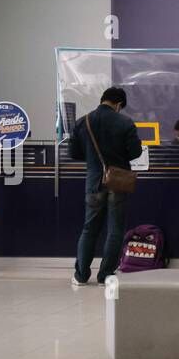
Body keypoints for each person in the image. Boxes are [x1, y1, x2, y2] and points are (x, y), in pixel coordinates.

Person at [68, 86, 143, 286]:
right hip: (118, 181)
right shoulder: (125, 122)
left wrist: (93, 158)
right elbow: (135, 152)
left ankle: (81, 275)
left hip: (93, 181)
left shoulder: (82, 121)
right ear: (119, 105)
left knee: (89, 228)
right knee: (115, 229)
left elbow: (73, 153)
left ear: (103, 99)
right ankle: (106, 276)